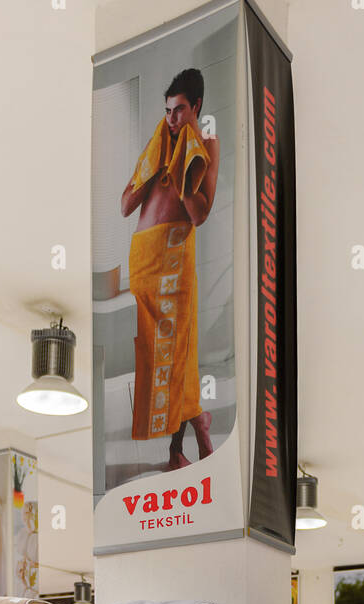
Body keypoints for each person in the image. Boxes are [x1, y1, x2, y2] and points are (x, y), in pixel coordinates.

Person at [121, 67, 220, 470]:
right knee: (152, 355)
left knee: (176, 355)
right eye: (167, 111)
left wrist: (181, 178)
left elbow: (200, 213)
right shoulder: (157, 147)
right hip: (145, 260)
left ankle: (174, 450)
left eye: (179, 110)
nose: (172, 119)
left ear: (195, 106)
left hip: (175, 262)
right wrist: (158, 167)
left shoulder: (207, 147)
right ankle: (198, 418)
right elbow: (125, 205)